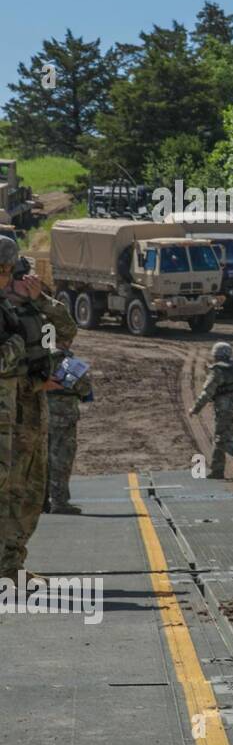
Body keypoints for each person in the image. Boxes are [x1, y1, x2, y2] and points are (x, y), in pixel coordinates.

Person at [0, 237, 77, 584]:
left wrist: (42, 300)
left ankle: (13, 566)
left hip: (32, 414)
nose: (24, 281)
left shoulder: (33, 309)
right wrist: (35, 383)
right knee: (9, 492)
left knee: (31, 493)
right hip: (10, 416)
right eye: (18, 276)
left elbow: (67, 332)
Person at [189, 341, 233, 479]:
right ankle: (217, 470)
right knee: (221, 437)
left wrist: (195, 409)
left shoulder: (217, 371)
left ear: (216, 355)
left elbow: (207, 393)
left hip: (223, 410)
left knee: (222, 441)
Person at [45, 345, 93, 514]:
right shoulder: (69, 363)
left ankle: (41, 502)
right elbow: (85, 389)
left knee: (40, 459)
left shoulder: (36, 361)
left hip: (39, 416)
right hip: (63, 418)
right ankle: (59, 502)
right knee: (61, 459)